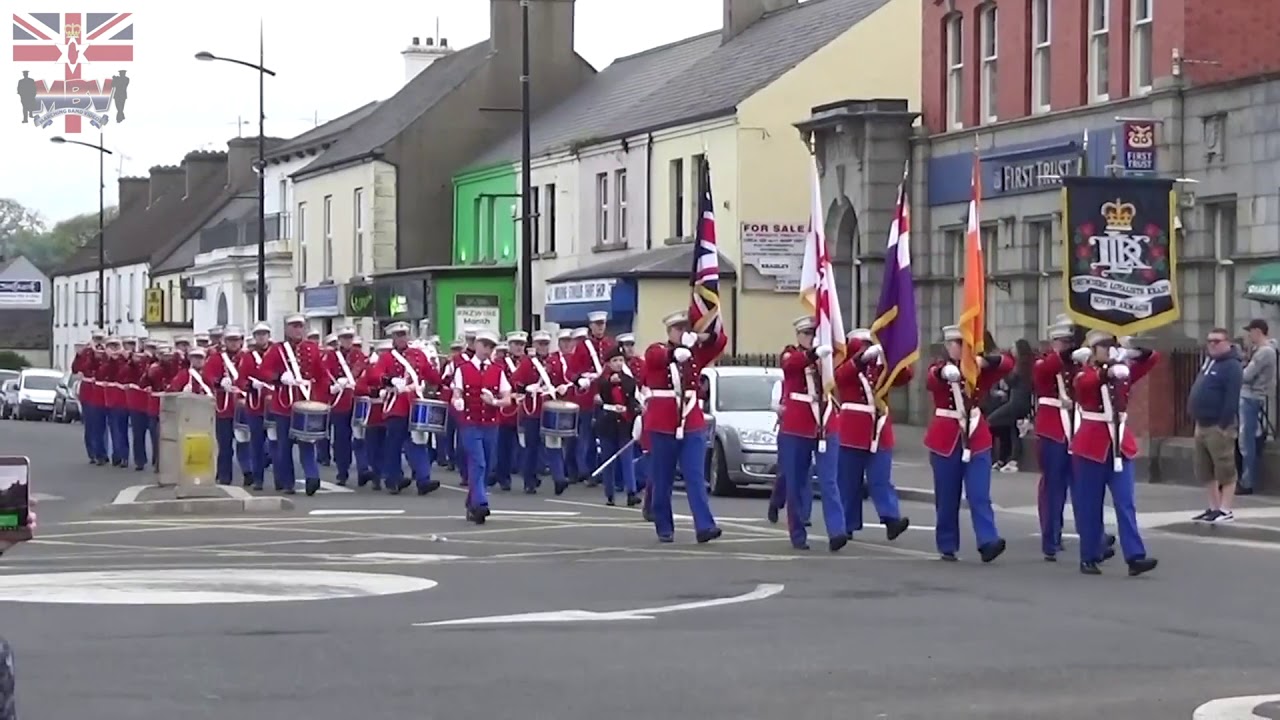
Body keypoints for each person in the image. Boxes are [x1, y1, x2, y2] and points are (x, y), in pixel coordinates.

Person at [1069, 330, 1160, 576]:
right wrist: (1107, 372)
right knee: (1090, 505)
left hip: (1119, 445)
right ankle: (1089, 556)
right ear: (1092, 350)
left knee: (1125, 503)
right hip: (1092, 447)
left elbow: (1153, 359)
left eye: (1113, 345)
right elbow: (1087, 384)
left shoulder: (1123, 370)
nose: (1109, 349)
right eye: (1104, 345)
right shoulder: (1084, 373)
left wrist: (1132, 352)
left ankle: (1135, 556)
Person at [923, 325, 1012, 563]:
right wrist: (944, 372)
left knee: (979, 493)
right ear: (948, 346)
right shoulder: (939, 368)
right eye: (956, 344)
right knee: (947, 496)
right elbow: (931, 379)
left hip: (976, 436)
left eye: (964, 345)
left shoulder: (976, 370)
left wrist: (986, 361)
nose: (961, 349)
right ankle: (947, 544)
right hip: (946, 438)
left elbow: (1007, 364)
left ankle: (988, 541)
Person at [640, 310, 726, 544]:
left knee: (695, 476)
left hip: (691, 421)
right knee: (662, 478)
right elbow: (655, 358)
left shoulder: (695, 353)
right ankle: (664, 526)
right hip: (663, 422)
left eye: (685, 329)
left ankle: (705, 526)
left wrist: (703, 335)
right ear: (669, 331)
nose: (682, 333)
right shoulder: (657, 349)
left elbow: (720, 342)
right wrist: (675, 353)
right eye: (678, 329)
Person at [834, 329, 912, 543]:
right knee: (848, 481)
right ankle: (846, 524)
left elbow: (903, 376)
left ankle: (891, 519)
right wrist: (859, 359)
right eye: (863, 345)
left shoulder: (880, 369)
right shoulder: (846, 366)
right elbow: (841, 377)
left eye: (870, 345)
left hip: (879, 429)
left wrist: (894, 356)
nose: (868, 349)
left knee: (881, 478)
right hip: (852, 429)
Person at [777, 316, 847, 552]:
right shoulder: (791, 354)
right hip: (797, 426)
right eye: (806, 334)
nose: (810, 338)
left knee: (829, 480)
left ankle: (837, 531)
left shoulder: (827, 359)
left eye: (814, 334)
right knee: (796, 482)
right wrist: (813, 353)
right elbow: (790, 365)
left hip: (826, 423)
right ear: (798, 336)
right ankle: (798, 533)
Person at [255, 314, 333, 496]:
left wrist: (320, 400)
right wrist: (278, 377)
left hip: (306, 401)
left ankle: (312, 477)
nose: (298, 330)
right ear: (286, 329)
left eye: (300, 326)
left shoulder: (311, 349)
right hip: (284, 403)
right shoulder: (277, 350)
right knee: (285, 445)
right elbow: (263, 371)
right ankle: (287, 482)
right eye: (294, 326)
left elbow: (321, 375)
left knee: (307, 441)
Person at [368, 322, 442, 496]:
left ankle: (423, 479)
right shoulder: (387, 357)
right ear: (393, 338)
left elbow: (431, 375)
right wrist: (389, 380)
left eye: (404, 334)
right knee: (394, 444)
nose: (402, 338)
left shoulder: (418, 355)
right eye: (398, 335)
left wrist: (440, 381)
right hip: (396, 405)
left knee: (419, 441)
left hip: (415, 403)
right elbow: (375, 375)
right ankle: (393, 479)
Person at [451, 329, 514, 523]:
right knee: (478, 462)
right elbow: (456, 392)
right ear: (476, 344)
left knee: (487, 464)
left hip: (490, 424)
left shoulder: (498, 370)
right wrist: (457, 401)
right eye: (484, 345)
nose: (487, 350)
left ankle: (472, 502)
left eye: (491, 346)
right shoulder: (462, 369)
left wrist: (494, 402)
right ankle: (480, 504)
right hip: (470, 423)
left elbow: (507, 399)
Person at [1188, 327, 1244, 523]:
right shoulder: (1209, 362)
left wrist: (1223, 424)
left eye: (1217, 341)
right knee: (1205, 469)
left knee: (1225, 468)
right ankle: (1214, 507)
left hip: (1218, 426)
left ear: (1227, 343)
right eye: (1210, 341)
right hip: (1201, 424)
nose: (1212, 344)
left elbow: (1231, 397)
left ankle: (1225, 509)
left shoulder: (1232, 366)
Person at [512, 330, 571, 495]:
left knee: (554, 443)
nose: (543, 347)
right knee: (532, 446)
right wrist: (526, 388)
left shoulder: (555, 361)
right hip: (533, 409)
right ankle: (529, 481)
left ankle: (559, 478)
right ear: (535, 345)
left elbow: (563, 380)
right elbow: (515, 381)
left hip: (550, 407)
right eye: (540, 344)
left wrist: (563, 387)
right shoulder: (528, 363)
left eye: (546, 344)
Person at [595, 346, 642, 506]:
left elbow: (631, 399)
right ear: (608, 363)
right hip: (608, 423)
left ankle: (631, 492)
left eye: (621, 360)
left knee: (627, 459)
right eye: (615, 361)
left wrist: (635, 408)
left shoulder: (629, 380)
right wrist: (609, 382)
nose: (618, 363)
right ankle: (609, 493)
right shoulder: (603, 380)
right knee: (608, 460)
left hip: (624, 423)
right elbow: (602, 391)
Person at [204, 326, 246, 486]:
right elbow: (207, 375)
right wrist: (218, 381)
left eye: (236, 340)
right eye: (230, 340)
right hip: (224, 407)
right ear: (225, 342)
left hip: (243, 407)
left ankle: (249, 471)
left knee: (245, 442)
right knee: (225, 444)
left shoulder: (247, 357)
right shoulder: (217, 359)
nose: (234, 343)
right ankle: (224, 475)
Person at [1239, 319, 1276, 495]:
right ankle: (1246, 479)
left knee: (1247, 441)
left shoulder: (1264, 352)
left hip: (1251, 396)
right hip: (1252, 396)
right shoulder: (1261, 351)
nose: (1249, 335)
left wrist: (1243, 364)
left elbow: (1246, 375)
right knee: (1249, 437)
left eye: (1250, 332)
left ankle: (1247, 481)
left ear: (1258, 331)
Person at [985, 339, 1034, 472]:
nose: (1011, 349)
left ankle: (1007, 458)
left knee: (991, 421)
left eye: (1013, 347)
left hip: (1016, 402)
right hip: (1018, 401)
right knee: (1010, 427)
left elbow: (1008, 382)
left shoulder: (1019, 366)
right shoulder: (1026, 365)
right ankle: (1008, 458)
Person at [324, 327, 365, 486]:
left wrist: (354, 381)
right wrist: (332, 387)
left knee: (360, 436)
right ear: (339, 339)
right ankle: (342, 471)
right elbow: (325, 373)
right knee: (341, 438)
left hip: (356, 399)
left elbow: (362, 371)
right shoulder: (332, 356)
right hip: (340, 402)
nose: (347, 341)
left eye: (349, 337)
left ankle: (363, 470)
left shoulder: (358, 355)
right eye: (344, 338)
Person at [235, 323, 274, 490]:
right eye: (258, 334)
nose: (261, 337)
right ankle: (258, 479)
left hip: (274, 404)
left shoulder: (277, 353)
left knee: (276, 444)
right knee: (256, 444)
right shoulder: (248, 357)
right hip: (255, 404)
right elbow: (241, 380)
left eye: (264, 334)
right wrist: (250, 385)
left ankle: (281, 480)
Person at [355, 339, 392, 490]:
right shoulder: (371, 368)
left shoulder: (396, 369)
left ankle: (389, 475)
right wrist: (373, 391)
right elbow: (360, 387)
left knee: (388, 446)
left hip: (389, 411)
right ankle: (376, 475)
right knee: (373, 446)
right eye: (383, 352)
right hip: (373, 412)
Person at [100, 337, 131, 468]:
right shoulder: (105, 360)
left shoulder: (127, 360)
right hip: (111, 399)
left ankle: (123, 455)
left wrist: (122, 357)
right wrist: (110, 359)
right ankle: (117, 455)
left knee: (122, 429)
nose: (114, 350)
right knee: (115, 429)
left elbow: (125, 374)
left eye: (116, 346)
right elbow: (102, 374)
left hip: (125, 399)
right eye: (111, 346)